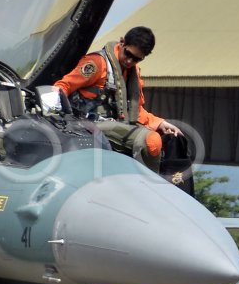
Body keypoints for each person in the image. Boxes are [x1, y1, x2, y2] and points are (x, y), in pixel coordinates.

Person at [53, 25, 182, 173]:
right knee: (150, 141)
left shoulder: (133, 73)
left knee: (168, 139)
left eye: (136, 59)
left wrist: (160, 123)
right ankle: (151, 185)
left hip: (117, 125)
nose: (129, 61)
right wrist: (52, 115)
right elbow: (62, 86)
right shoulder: (96, 63)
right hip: (88, 124)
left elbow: (136, 110)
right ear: (122, 42)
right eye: (128, 54)